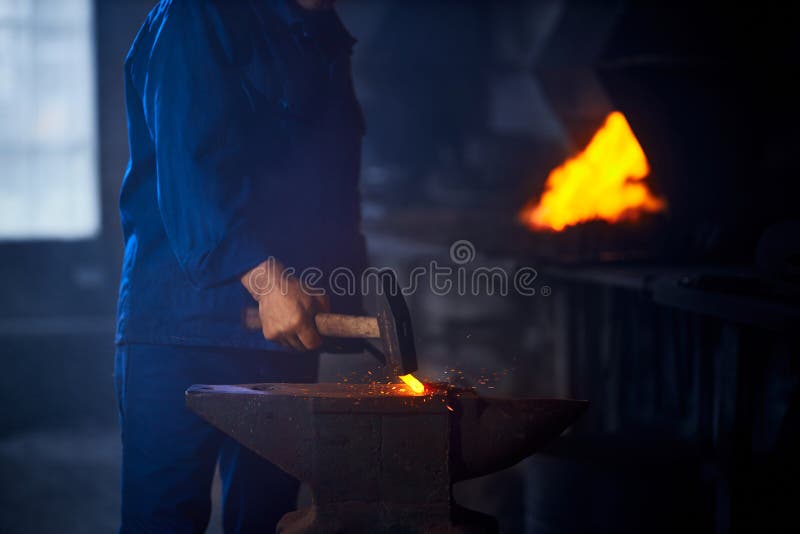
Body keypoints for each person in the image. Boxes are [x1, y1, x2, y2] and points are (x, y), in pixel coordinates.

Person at [114, 0, 365, 531]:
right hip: (181, 332)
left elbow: (332, 183)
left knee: (271, 520)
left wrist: (342, 290)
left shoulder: (323, 36)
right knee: (164, 518)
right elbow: (190, 171)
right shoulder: (196, 14)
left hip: (286, 335)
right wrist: (269, 282)